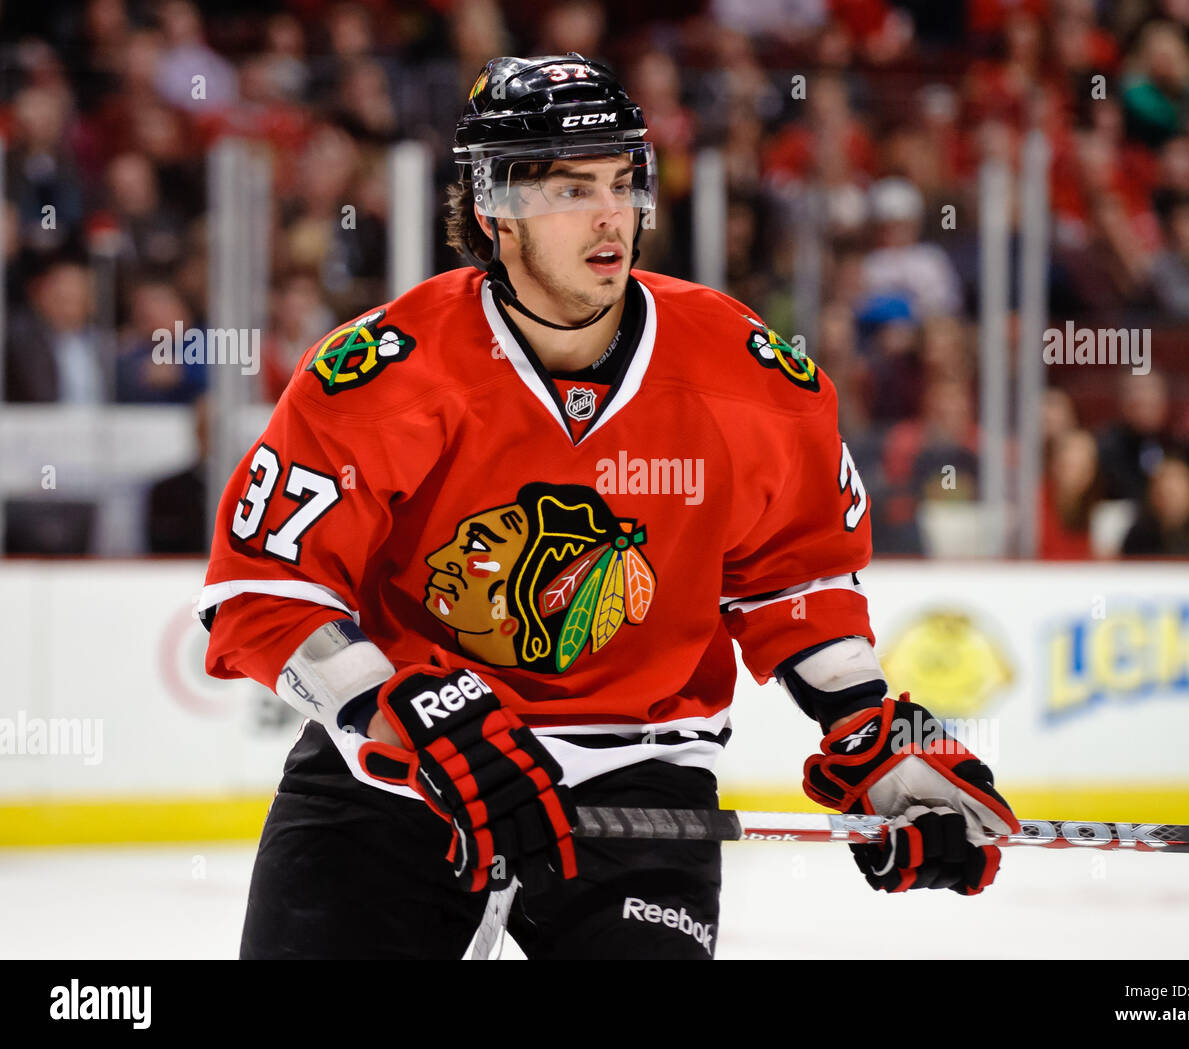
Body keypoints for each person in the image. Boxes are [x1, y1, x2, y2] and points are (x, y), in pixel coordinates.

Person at [199, 54, 1017, 961]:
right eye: (569, 186)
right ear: (491, 208)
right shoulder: (383, 373)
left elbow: (799, 579)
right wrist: (395, 708)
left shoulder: (745, 374)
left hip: (638, 787)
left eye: (624, 180)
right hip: (401, 784)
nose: (609, 214)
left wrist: (872, 727)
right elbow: (265, 592)